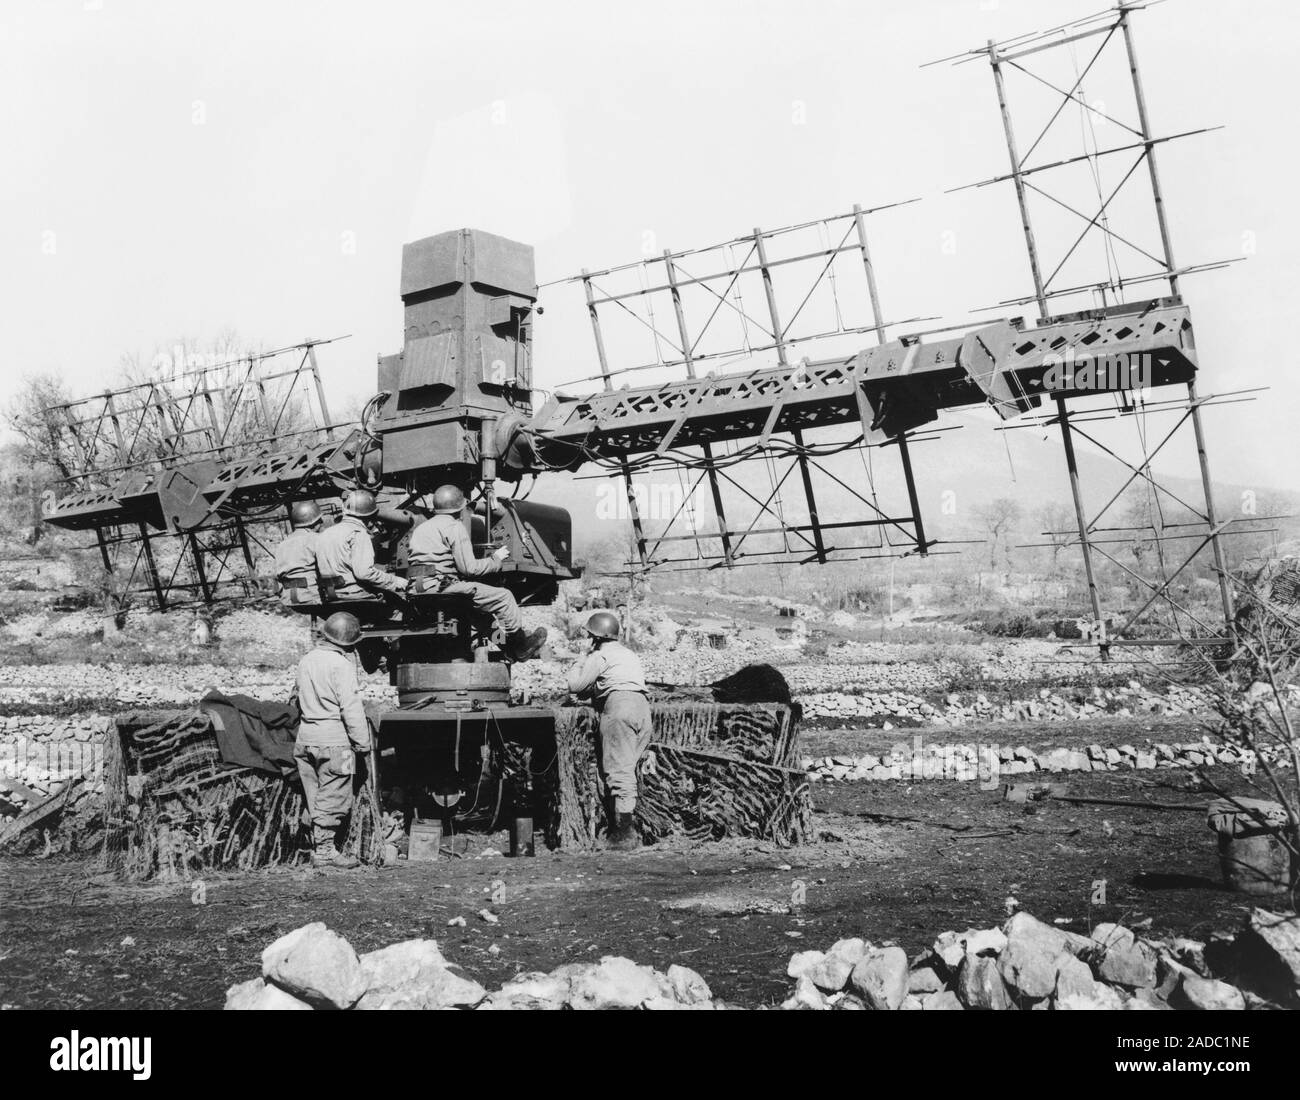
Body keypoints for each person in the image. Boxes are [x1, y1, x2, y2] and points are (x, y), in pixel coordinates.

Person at [407, 484, 547, 661]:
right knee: (504, 597)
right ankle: (519, 642)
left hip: (418, 589)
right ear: (460, 508)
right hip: (440, 589)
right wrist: (495, 559)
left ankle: (509, 648)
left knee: (481, 618)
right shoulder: (454, 527)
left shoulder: (422, 528)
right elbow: (469, 568)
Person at [566, 610, 651, 851]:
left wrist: (580, 660)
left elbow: (575, 685)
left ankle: (623, 836)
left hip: (620, 709)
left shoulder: (600, 656)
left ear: (596, 637)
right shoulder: (628, 654)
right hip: (641, 709)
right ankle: (625, 827)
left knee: (618, 771)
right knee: (629, 767)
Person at [293, 611, 370, 868]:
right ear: (349, 643)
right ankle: (325, 852)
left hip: (305, 739)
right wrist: (363, 743)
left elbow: (296, 698)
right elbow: (351, 707)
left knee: (314, 794)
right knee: (335, 795)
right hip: (335, 742)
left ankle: (313, 845)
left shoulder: (306, 660)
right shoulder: (342, 665)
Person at [313, 489, 408, 601]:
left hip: (330, 595)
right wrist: (395, 581)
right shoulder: (358, 533)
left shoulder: (325, 533)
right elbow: (364, 574)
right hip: (355, 595)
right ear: (370, 515)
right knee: (399, 605)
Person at [273, 500, 324, 607]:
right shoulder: (317, 539)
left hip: (288, 599)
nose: (322, 522)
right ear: (314, 522)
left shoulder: (282, 544)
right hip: (314, 596)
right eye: (320, 520)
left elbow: (278, 575)